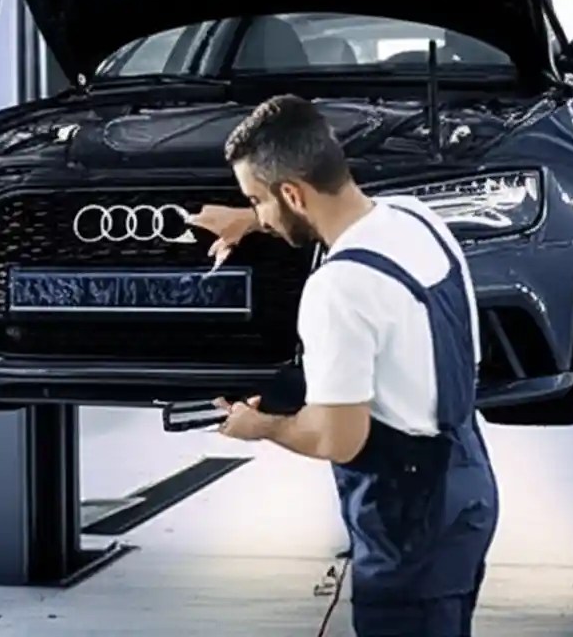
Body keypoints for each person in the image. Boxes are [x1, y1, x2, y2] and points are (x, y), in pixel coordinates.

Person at [189, 94, 499, 635]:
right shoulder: (415, 217)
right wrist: (253, 219)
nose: (260, 213)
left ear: (292, 193)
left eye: (258, 199)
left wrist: (259, 426)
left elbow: (340, 439)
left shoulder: (337, 287)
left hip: (407, 519)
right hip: (467, 488)